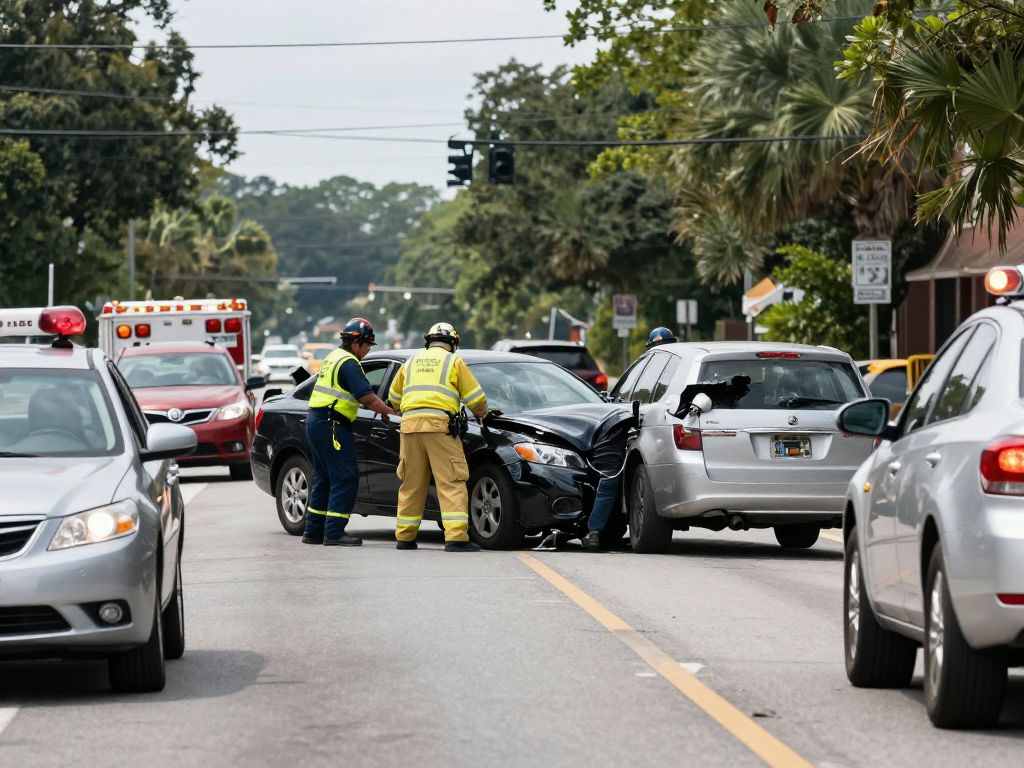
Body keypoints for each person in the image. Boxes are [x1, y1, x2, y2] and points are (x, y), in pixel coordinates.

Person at [388, 322, 493, 552]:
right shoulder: (454, 361)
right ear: (453, 342)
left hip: (410, 428)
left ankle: (405, 537)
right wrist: (484, 414)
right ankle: (456, 538)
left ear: (428, 340)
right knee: (451, 481)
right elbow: (475, 398)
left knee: (411, 483)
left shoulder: (411, 362)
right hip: (439, 428)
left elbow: (393, 399)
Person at [302, 317, 396, 547]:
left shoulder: (332, 357)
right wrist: (389, 412)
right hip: (332, 424)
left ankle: (313, 531)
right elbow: (367, 397)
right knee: (346, 476)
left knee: (324, 478)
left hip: (317, 421)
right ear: (357, 343)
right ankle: (333, 532)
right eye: (367, 346)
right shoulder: (350, 363)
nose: (366, 351)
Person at [581, 408, 638, 552]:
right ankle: (595, 532)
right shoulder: (624, 413)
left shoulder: (613, 413)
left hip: (605, 452)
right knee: (609, 487)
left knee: (607, 488)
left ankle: (594, 533)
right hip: (611, 453)